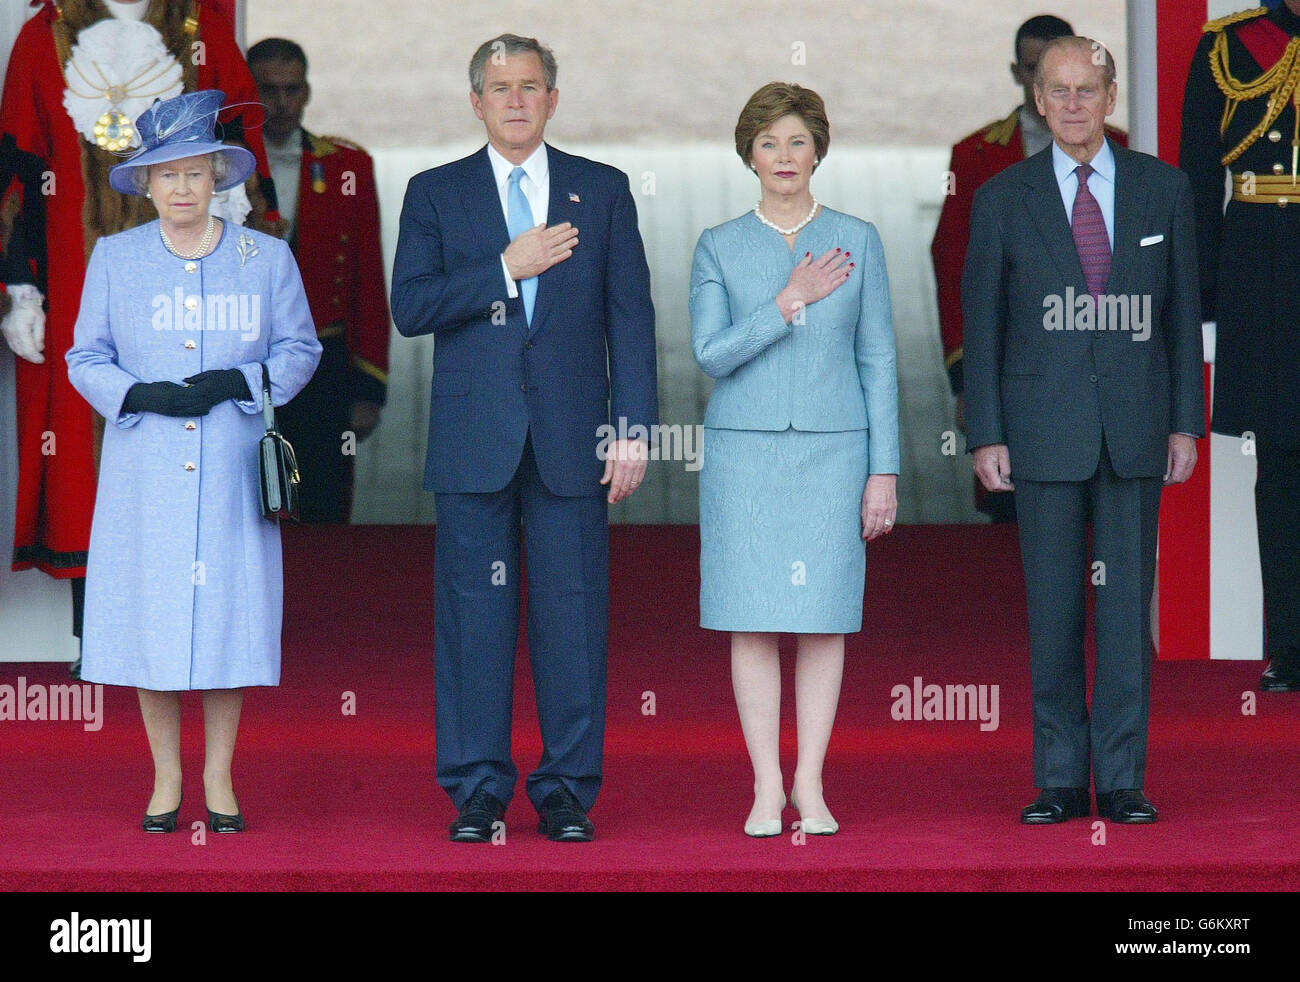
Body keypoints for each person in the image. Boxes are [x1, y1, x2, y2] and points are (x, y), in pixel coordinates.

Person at [390, 34, 658, 843]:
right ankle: (477, 788)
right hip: (475, 442)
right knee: (474, 617)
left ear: (552, 98)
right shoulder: (435, 192)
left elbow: (631, 318)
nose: (515, 100)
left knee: (573, 615)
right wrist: (506, 268)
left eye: (530, 86)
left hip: (573, 438)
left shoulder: (600, 190)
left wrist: (635, 427)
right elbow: (412, 307)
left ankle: (567, 789)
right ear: (475, 102)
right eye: (499, 88)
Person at [65, 90, 320, 833]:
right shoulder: (115, 258)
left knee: (228, 621)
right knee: (152, 618)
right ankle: (165, 776)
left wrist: (240, 382)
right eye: (166, 174)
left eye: (195, 173)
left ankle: (219, 774)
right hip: (144, 466)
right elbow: (85, 356)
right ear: (145, 183)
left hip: (232, 462)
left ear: (219, 177)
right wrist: (135, 391)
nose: (181, 188)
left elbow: (300, 350)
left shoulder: (264, 259)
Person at [963, 37, 1204, 825]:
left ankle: (1125, 777)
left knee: (1128, 612)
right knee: (1055, 608)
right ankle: (1062, 778)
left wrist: (1184, 424)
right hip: (1040, 432)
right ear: (1037, 99)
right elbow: (985, 327)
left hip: (1136, 428)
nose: (1072, 104)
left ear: (1109, 99)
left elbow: (1176, 317)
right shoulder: (1003, 198)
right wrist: (986, 434)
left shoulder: (1164, 190)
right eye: (1057, 90)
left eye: (1087, 90)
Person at [0, 0, 279, 675]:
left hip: (201, 276)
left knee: (201, 438)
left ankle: (207, 634)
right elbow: (17, 161)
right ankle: (97, 634)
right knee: (83, 452)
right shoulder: (45, 34)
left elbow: (240, 148)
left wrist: (251, 256)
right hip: (75, 273)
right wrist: (21, 282)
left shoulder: (204, 24)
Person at [691, 82, 899, 837]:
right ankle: (764, 787)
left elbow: (877, 361)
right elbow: (711, 354)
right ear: (748, 153)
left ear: (820, 150)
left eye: (798, 141)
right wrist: (786, 302)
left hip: (835, 453)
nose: (784, 156)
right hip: (744, 456)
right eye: (769, 142)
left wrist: (886, 470)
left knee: (823, 620)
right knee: (751, 621)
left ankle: (810, 785)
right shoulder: (718, 242)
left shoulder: (859, 237)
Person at [931, 14, 1128, 523]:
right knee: (1015, 519)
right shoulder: (976, 156)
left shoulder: (1127, 150)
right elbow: (955, 265)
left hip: (1107, 365)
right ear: (1020, 75)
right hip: (1017, 370)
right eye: (1034, 69)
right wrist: (965, 379)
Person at [1180, 3, 1300, 693]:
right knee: (1281, 467)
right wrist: (1201, 303)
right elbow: (1199, 180)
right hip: (1264, 272)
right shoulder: (1230, 45)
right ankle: (1289, 642)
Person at [247, 38, 391, 523]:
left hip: (322, 366)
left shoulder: (347, 166)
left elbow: (368, 281)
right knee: (241, 506)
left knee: (322, 504)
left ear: (307, 92)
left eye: (291, 90)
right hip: (240, 356)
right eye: (268, 90)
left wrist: (369, 388)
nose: (281, 104)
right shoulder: (216, 167)